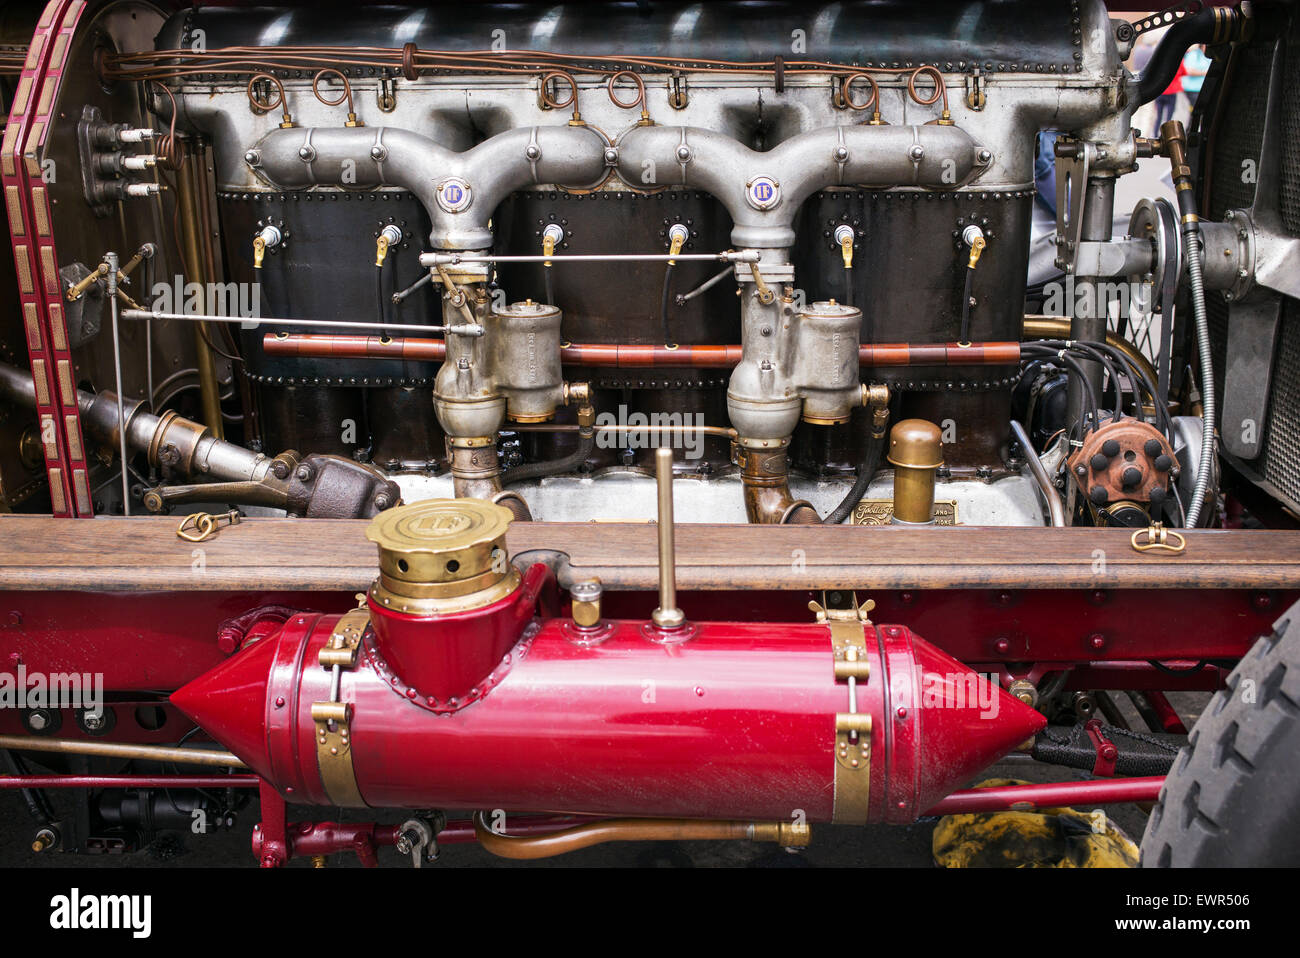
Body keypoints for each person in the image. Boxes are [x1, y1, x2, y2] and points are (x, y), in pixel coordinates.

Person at [1155, 58, 1185, 129]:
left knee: (1159, 116)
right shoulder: (1178, 61)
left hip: (1160, 91)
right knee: (1169, 117)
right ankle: (1166, 134)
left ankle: (1155, 134)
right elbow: (1184, 72)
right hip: (1172, 91)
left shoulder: (1159, 61)